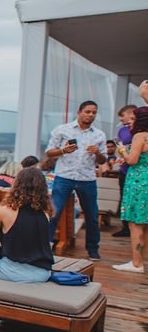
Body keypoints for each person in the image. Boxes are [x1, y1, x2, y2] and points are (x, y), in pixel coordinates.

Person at [45, 100, 107, 260]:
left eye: (94, 112)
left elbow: (102, 161)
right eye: (87, 111)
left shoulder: (99, 134)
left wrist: (97, 153)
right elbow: (49, 152)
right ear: (79, 112)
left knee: (92, 215)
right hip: (64, 176)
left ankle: (93, 249)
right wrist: (63, 150)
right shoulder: (62, 129)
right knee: (54, 212)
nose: (91, 115)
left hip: (87, 178)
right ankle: (46, 245)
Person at [0, 168, 55, 282]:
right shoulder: (45, 213)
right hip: (42, 274)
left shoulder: (0, 211)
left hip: (11, 272)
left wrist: (2, 246)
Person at [113, 107, 148, 273]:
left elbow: (132, 160)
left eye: (133, 119)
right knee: (145, 223)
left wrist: (121, 150)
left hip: (138, 181)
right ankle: (141, 260)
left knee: (135, 224)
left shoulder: (140, 136)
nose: (130, 122)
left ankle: (136, 263)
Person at [113, 104, 137, 237]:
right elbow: (120, 146)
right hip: (124, 169)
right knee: (124, 198)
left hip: (139, 169)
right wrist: (121, 155)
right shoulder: (122, 131)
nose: (121, 120)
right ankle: (125, 227)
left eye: (123, 116)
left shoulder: (141, 130)